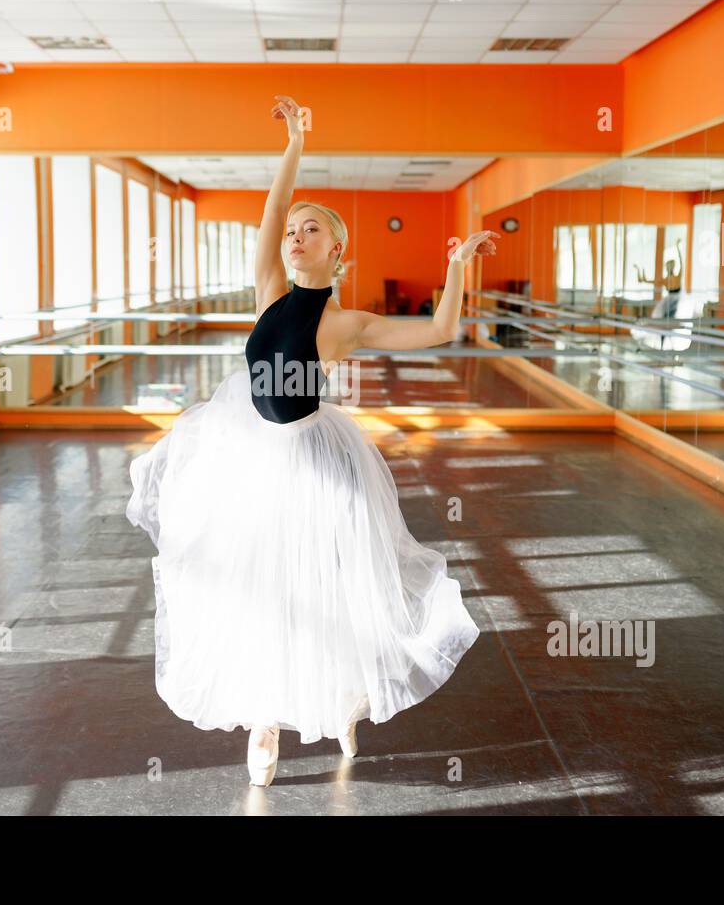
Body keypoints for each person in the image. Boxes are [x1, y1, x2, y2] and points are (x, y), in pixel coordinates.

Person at [126, 94, 495, 787]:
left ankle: (340, 700)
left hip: (318, 462)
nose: (294, 235)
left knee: (326, 589)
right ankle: (264, 719)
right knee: (259, 589)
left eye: (310, 229)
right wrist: (296, 142)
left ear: (337, 248)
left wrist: (456, 265)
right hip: (249, 458)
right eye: (292, 229)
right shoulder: (270, 289)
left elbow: (441, 331)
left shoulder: (348, 322)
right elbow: (269, 213)